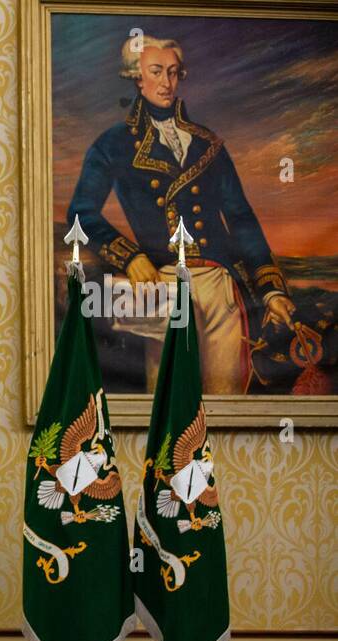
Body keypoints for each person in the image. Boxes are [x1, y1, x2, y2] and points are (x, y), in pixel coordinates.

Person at [66, 34, 296, 393]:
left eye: (173, 72)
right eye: (156, 71)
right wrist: (131, 259)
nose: (166, 82)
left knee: (226, 400)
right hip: (162, 285)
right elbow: (80, 213)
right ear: (137, 77)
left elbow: (242, 220)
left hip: (220, 287)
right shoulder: (113, 143)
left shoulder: (209, 143)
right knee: (169, 401)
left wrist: (271, 292)